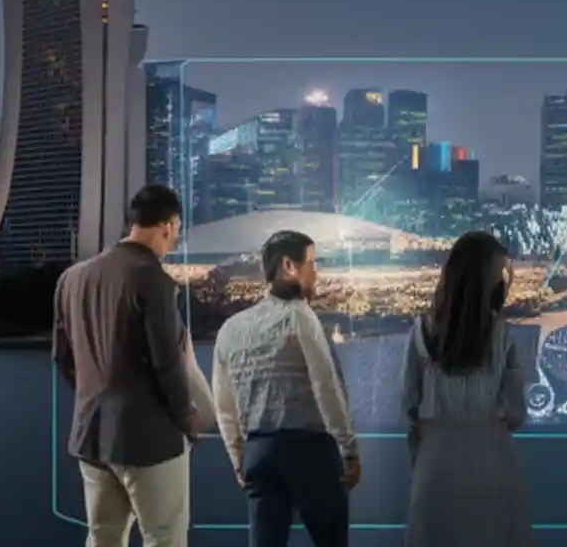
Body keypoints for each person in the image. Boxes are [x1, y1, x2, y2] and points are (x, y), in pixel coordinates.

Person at [52, 184, 198, 547]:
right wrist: (188, 420)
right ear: (168, 225)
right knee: (164, 536)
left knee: (103, 536)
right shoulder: (153, 279)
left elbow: (63, 357)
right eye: (175, 230)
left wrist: (97, 395)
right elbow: (168, 365)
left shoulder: (72, 279)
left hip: (91, 434)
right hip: (147, 438)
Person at [212, 230, 360, 547]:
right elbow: (326, 387)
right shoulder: (301, 318)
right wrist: (348, 449)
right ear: (289, 266)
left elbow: (224, 407)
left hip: (258, 452)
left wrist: (239, 457)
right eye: (312, 262)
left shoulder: (231, 329)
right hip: (310, 452)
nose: (316, 272)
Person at [401, 231, 533, 547]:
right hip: (492, 462)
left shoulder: (421, 333)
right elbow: (516, 413)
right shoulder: (504, 336)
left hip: (435, 464)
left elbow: (408, 407)